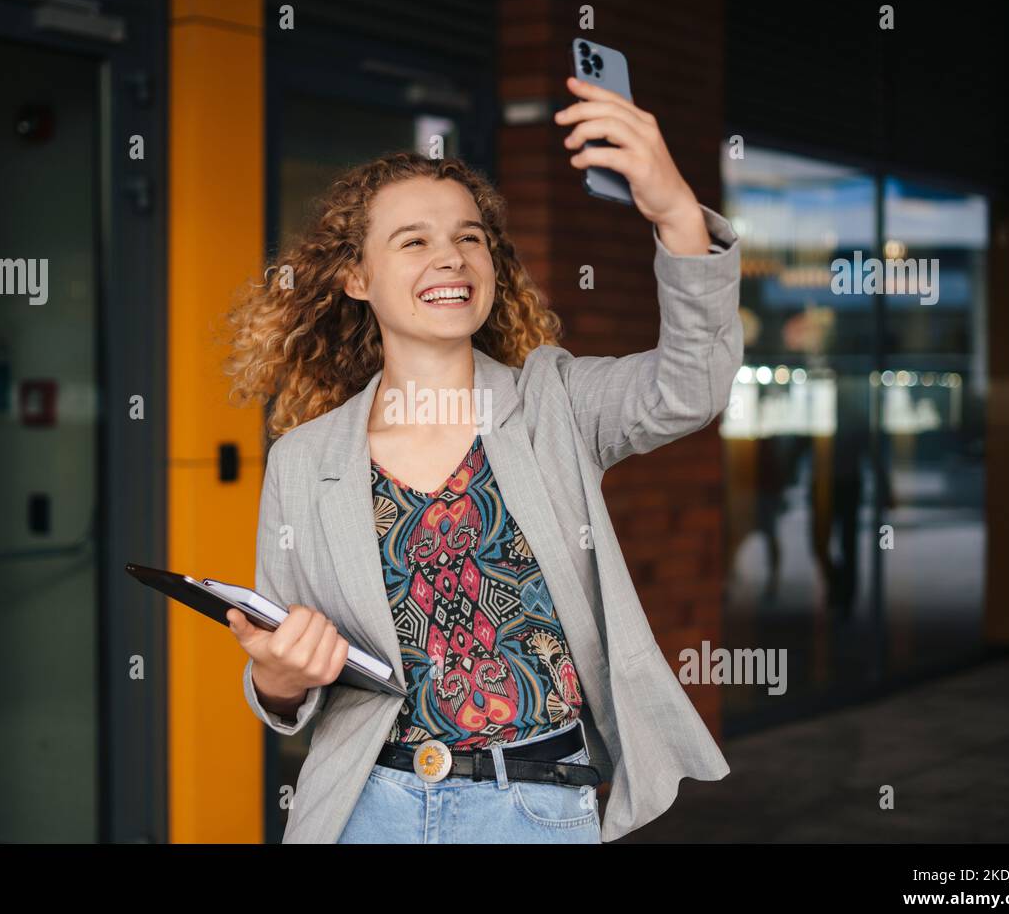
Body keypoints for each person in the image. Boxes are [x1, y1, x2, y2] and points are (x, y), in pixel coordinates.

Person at [223, 75, 743, 843]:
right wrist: (278, 674)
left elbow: (691, 386)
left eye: (471, 236)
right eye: (415, 240)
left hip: (533, 808)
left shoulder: (555, 406)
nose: (452, 257)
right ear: (357, 278)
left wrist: (671, 210)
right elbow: (284, 687)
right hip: (370, 808)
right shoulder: (303, 461)